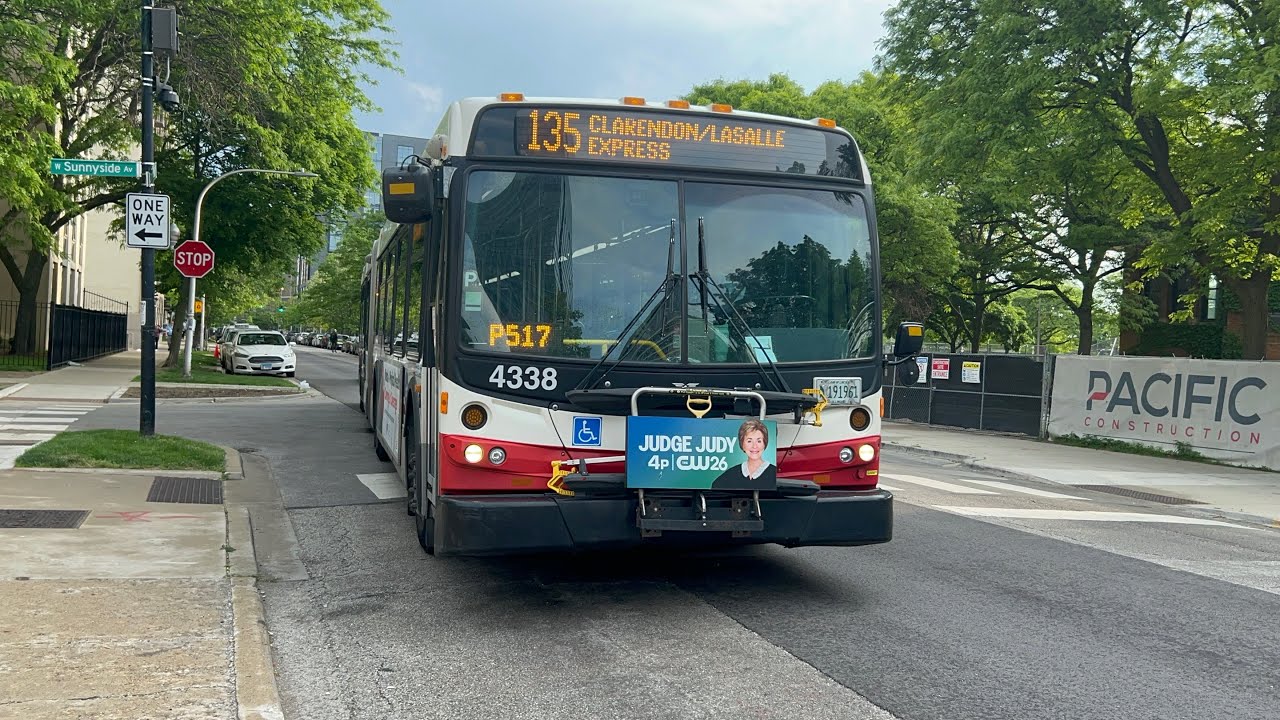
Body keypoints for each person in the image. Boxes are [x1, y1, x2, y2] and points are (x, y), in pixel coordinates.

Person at [711, 418, 776, 490]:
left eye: (759, 441)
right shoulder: (730, 475)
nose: (754, 446)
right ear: (742, 444)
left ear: (764, 443)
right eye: (749, 441)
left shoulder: (774, 474)